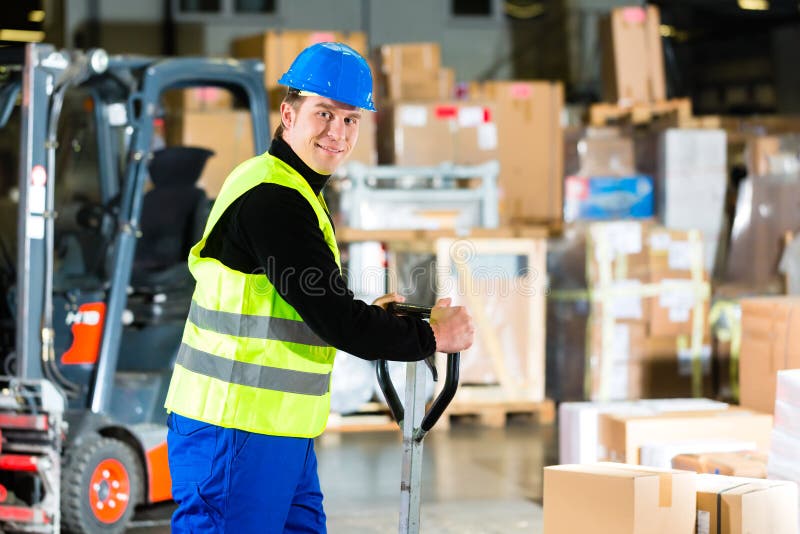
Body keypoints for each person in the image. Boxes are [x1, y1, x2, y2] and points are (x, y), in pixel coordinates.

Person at [164, 42, 475, 533]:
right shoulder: (274, 200)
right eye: (323, 113)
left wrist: (376, 314)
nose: (337, 132)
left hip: (279, 431)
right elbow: (334, 318)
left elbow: (307, 306)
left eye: (350, 120)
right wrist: (432, 338)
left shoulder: (294, 190)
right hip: (236, 431)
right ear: (288, 114)